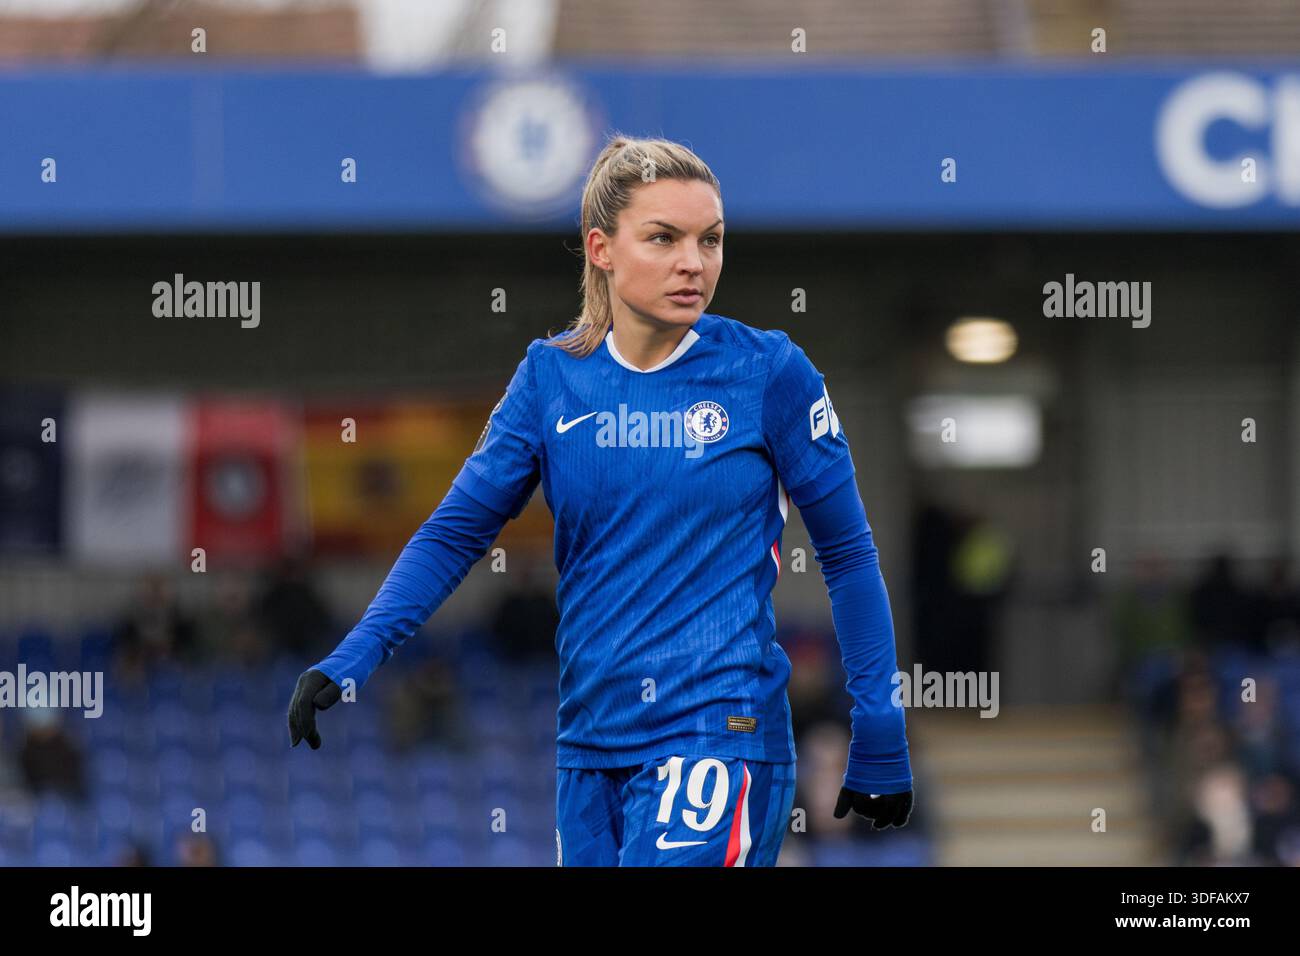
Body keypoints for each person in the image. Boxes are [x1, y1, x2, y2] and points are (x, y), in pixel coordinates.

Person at [288, 135, 913, 866]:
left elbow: (847, 552)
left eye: (710, 240)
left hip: (720, 730)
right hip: (589, 746)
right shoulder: (550, 378)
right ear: (601, 248)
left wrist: (879, 722)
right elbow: (454, 535)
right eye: (664, 238)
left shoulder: (769, 372)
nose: (695, 262)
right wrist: (353, 657)